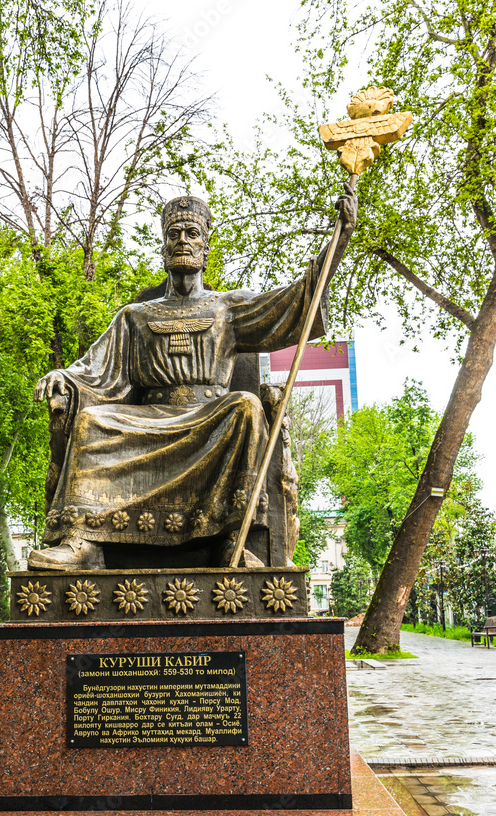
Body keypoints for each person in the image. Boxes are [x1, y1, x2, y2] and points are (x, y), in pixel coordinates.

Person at [29, 190, 356, 570]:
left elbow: (295, 301)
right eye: (174, 234)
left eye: (192, 233)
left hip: (210, 418)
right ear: (163, 247)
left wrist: (340, 239)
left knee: (246, 407)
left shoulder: (227, 307)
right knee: (91, 422)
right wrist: (63, 378)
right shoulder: (134, 315)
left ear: (206, 246)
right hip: (151, 417)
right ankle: (82, 542)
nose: (183, 240)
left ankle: (233, 539)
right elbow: (94, 369)